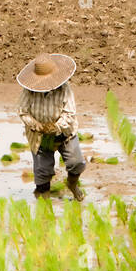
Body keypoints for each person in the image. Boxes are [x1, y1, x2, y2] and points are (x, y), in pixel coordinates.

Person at [17, 53, 86, 202]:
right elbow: (23, 111)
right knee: (42, 173)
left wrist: (56, 126)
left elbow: (69, 113)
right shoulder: (29, 91)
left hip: (64, 133)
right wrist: (35, 124)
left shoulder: (64, 89)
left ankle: (72, 184)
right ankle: (44, 204)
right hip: (39, 135)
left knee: (77, 163)